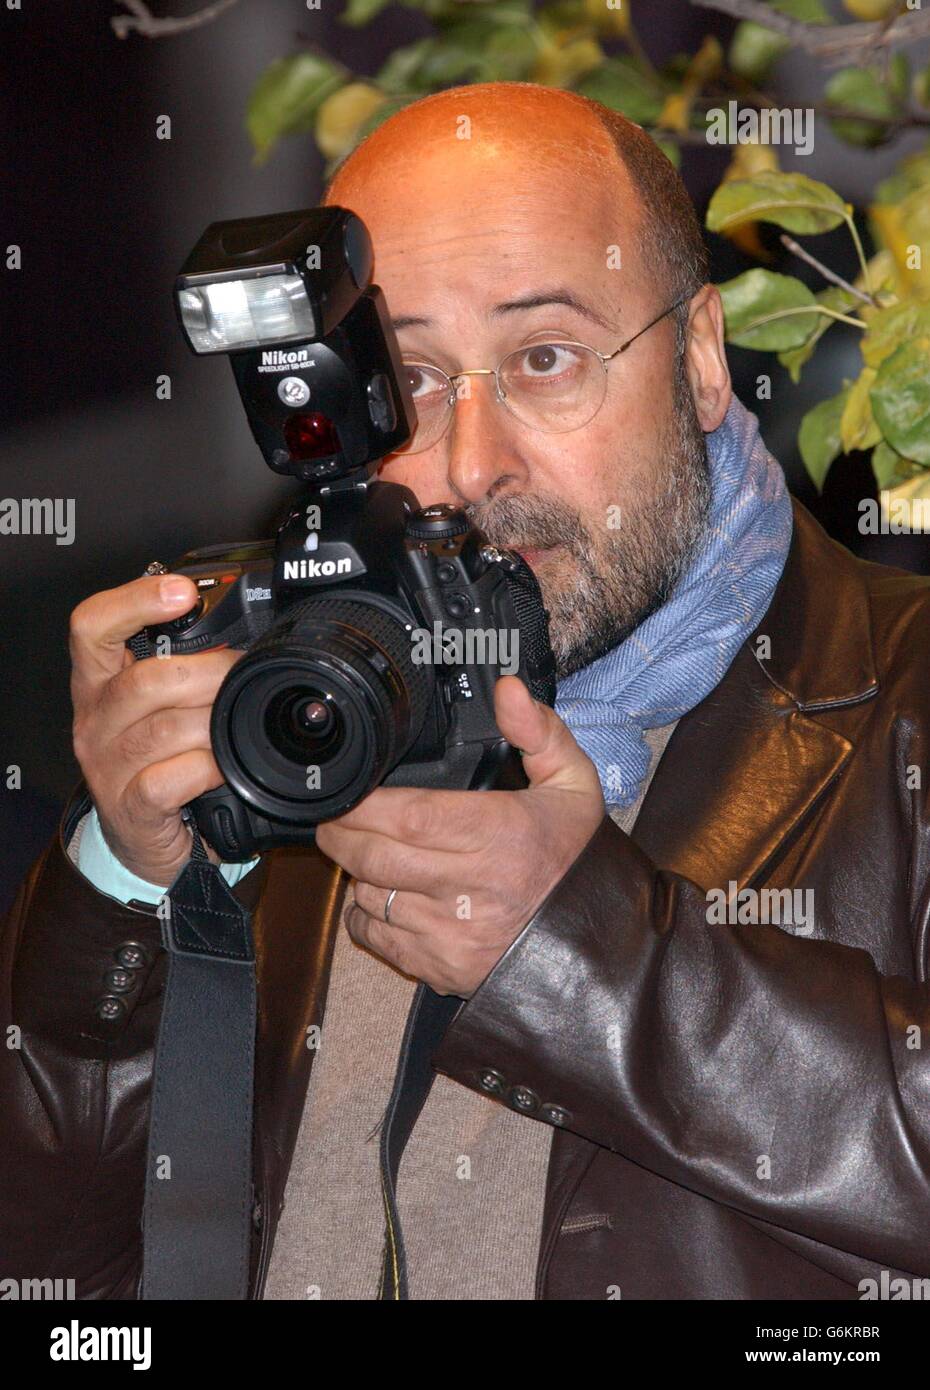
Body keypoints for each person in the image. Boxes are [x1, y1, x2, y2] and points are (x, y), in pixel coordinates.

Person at [3, 81, 930, 1301]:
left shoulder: (902, 693)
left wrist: (580, 957)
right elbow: (58, 1285)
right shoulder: (297, 712)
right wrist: (121, 885)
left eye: (544, 358)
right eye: (410, 377)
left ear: (703, 360)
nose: (470, 464)